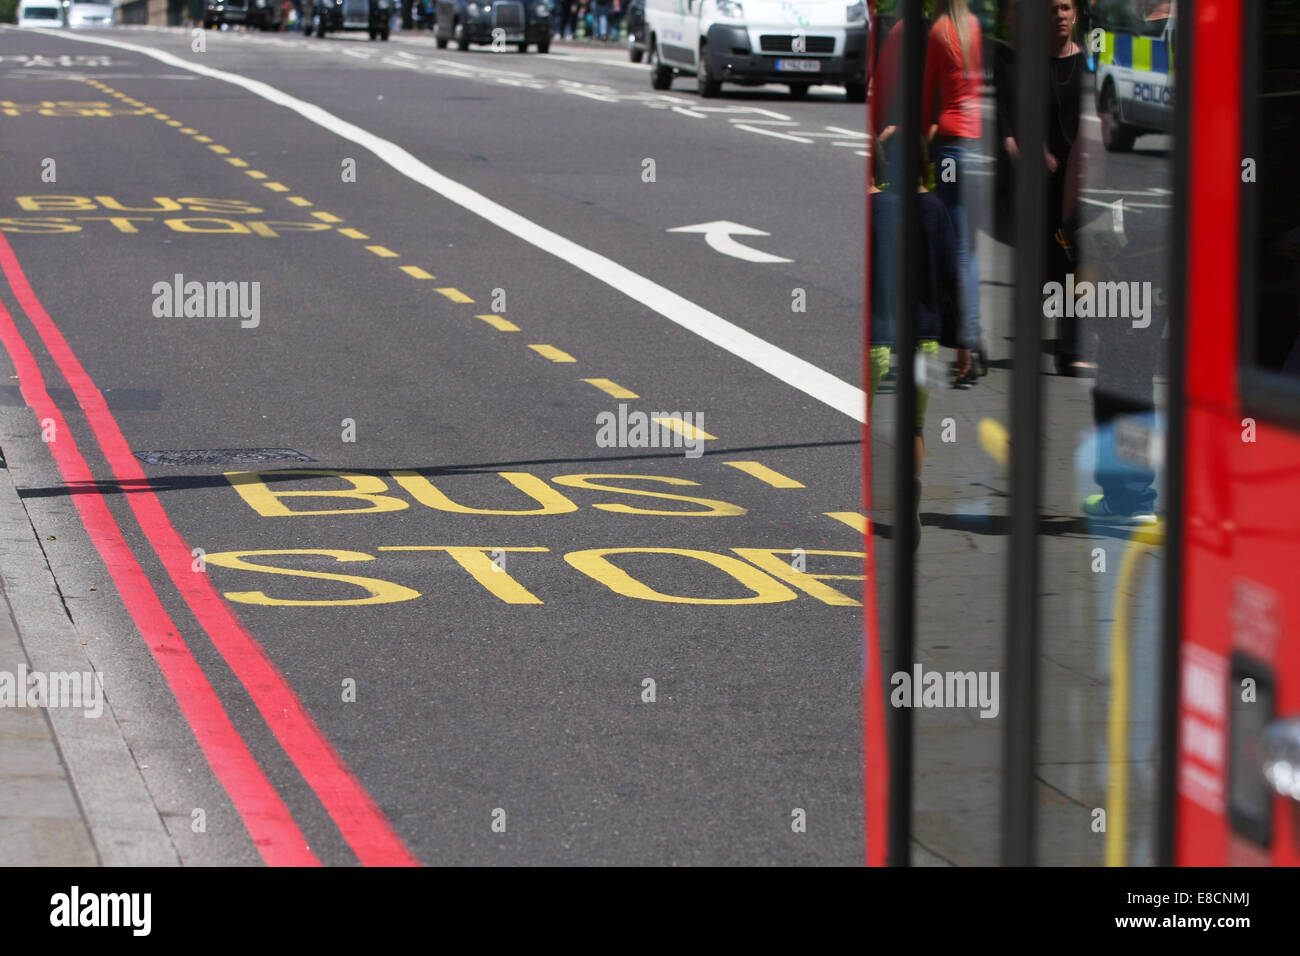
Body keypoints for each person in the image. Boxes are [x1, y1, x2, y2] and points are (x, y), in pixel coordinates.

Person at [870, 137, 964, 547]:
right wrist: (961, 341)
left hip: (876, 336)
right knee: (916, 426)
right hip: (926, 339)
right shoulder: (937, 211)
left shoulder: (881, 209)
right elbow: (952, 280)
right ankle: (910, 494)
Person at [922, 0, 986, 388]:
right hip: (978, 147)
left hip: (950, 147)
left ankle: (965, 348)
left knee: (954, 252)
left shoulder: (939, 31)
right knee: (971, 253)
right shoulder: (974, 27)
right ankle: (971, 342)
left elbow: (927, 94)